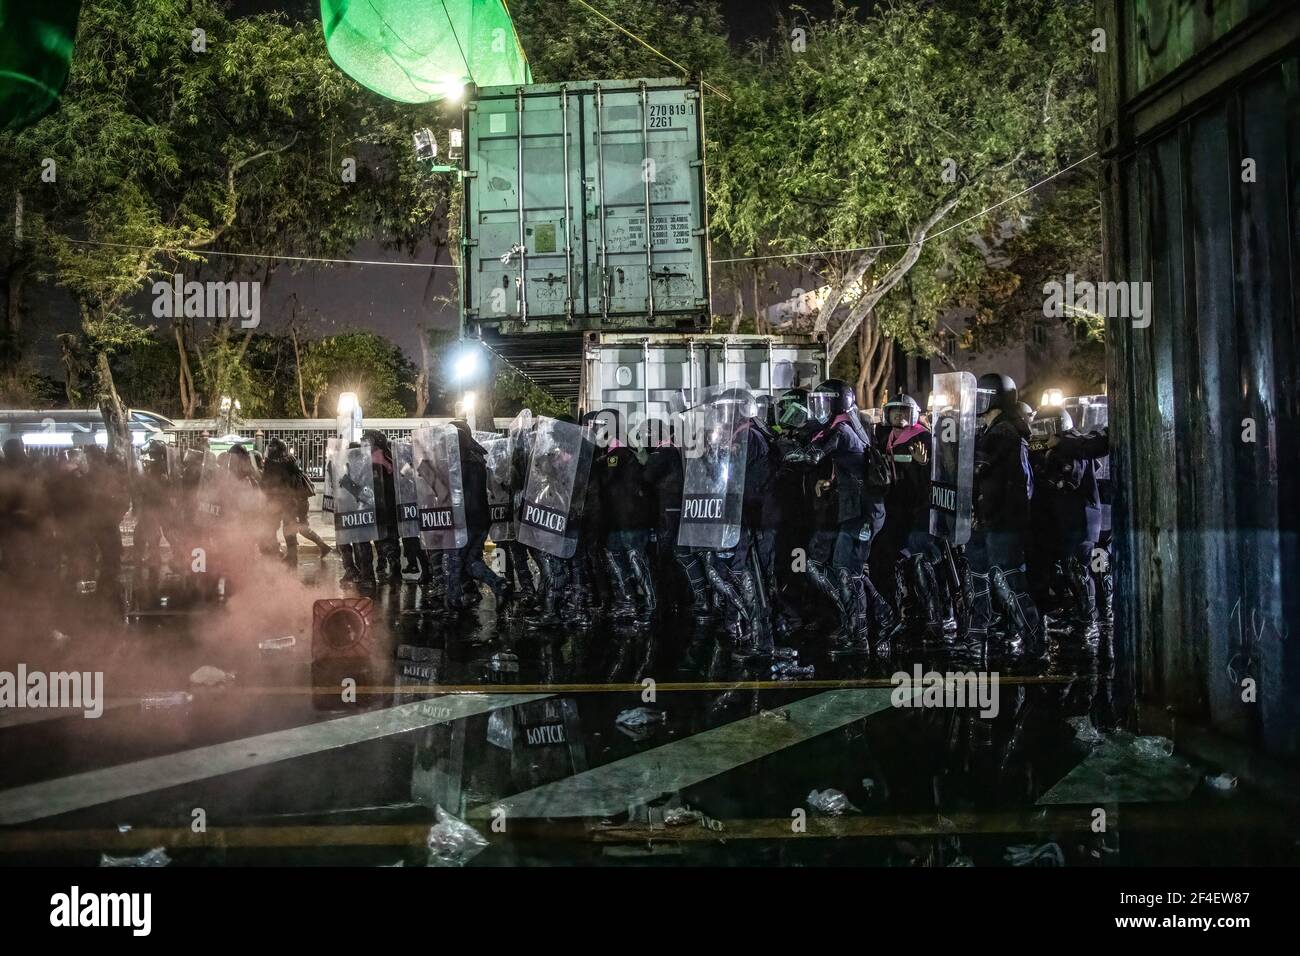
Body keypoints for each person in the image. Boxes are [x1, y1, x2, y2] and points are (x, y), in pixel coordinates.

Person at [795, 378, 895, 653]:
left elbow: (814, 455)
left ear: (837, 403)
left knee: (846, 571)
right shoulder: (850, 425)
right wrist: (832, 482)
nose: (819, 409)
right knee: (847, 570)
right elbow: (853, 467)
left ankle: (859, 637)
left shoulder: (842, 430)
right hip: (858, 509)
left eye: (824, 403)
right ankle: (883, 616)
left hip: (862, 512)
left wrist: (787, 451)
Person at [971, 372, 1042, 654]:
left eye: (983, 397)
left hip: (1003, 520)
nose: (978, 402)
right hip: (995, 518)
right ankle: (1016, 630)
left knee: (1009, 578)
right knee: (997, 577)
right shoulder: (999, 428)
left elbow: (981, 468)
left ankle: (1034, 636)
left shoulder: (1003, 432)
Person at [446, 420, 510, 611]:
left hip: (464, 519)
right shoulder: (478, 457)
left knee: (454, 561)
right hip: (481, 519)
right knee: (471, 561)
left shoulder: (457, 462)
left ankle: (453, 601)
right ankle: (500, 585)